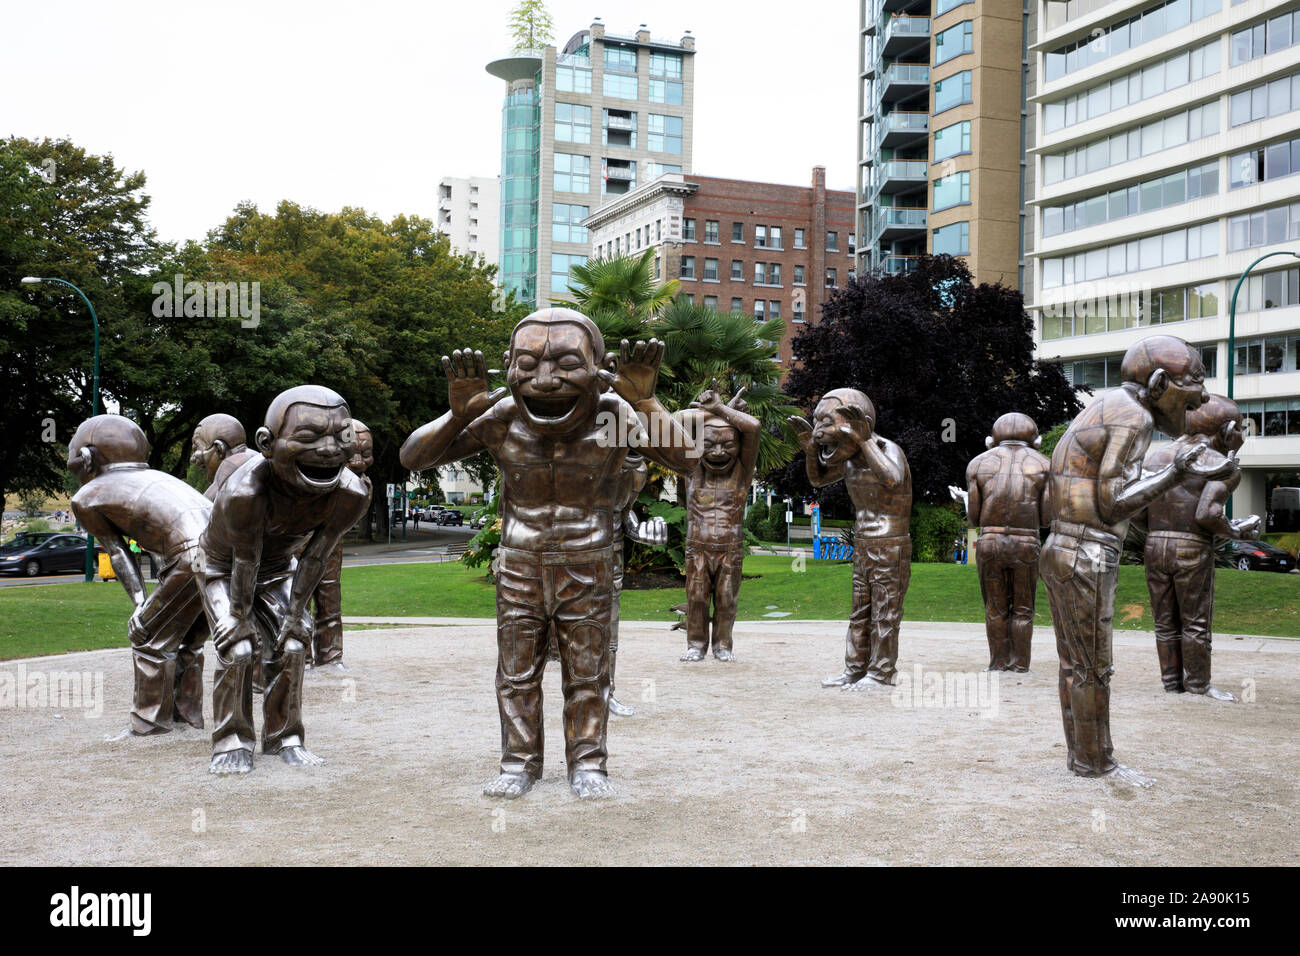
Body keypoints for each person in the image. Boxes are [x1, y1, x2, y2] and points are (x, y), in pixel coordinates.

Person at [400, 308, 695, 799]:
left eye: (565, 363)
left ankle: (588, 765)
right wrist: (457, 414)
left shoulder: (613, 415)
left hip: (589, 560)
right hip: (520, 562)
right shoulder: (501, 418)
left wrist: (645, 400)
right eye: (528, 363)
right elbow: (414, 457)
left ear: (599, 368)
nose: (545, 379)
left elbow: (687, 456)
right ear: (508, 368)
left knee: (589, 673)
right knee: (515, 673)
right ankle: (518, 763)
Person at [1040, 335, 1234, 785]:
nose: (1202, 397)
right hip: (1085, 551)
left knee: (1077, 665)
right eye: (1195, 383)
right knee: (1091, 667)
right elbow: (1113, 504)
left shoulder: (1109, 406)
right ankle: (1096, 763)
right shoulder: (1134, 416)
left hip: (1064, 548)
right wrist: (1176, 471)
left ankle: (1087, 757)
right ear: (1161, 381)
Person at [200, 385, 371, 775]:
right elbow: (245, 559)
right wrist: (238, 617)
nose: (329, 450)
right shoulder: (246, 492)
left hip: (278, 566)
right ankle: (231, 740)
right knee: (238, 645)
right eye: (309, 438)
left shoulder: (351, 492)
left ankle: (285, 737)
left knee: (295, 642)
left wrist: (296, 614)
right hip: (219, 568)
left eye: (340, 437)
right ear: (267, 443)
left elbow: (316, 555)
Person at [68, 415, 210, 734]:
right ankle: (187, 715)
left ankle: (148, 723)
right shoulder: (161, 480)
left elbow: (118, 552)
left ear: (87, 458)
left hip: (190, 556)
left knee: (148, 636)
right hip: (219, 553)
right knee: (188, 640)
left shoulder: (88, 496)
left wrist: (140, 603)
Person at [790, 388, 912, 690]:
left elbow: (892, 480)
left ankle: (881, 673)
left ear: (861, 423)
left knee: (885, 613)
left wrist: (864, 440)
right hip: (863, 545)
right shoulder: (849, 462)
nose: (819, 433)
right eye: (817, 423)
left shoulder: (886, 449)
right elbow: (818, 478)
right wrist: (808, 449)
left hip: (890, 545)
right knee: (859, 613)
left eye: (827, 423)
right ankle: (855, 669)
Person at [1142, 395, 1259, 701]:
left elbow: (1138, 511)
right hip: (1191, 548)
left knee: (1165, 620)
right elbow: (1207, 513)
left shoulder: (1155, 459)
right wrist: (1235, 531)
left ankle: (1171, 683)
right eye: (1241, 429)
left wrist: (1157, 534)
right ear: (1228, 429)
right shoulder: (1221, 465)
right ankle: (1197, 685)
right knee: (1195, 621)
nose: (1242, 436)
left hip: (1155, 546)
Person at [674, 387, 760, 662]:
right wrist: (712, 410)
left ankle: (723, 645)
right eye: (709, 444)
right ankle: (696, 645)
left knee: (726, 600)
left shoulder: (742, 471)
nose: (719, 452)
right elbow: (675, 420)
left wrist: (720, 409)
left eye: (728, 444)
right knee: (696, 598)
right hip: (697, 546)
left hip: (729, 547)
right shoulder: (691, 466)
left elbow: (755, 427)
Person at [964, 412, 1051, 672]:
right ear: (1036, 440)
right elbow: (1046, 518)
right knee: (1023, 607)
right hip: (1026, 543)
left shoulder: (977, 464)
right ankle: (1020, 663)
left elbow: (973, 518)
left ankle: (998, 662)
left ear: (992, 439)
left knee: (995, 606)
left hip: (990, 541)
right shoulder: (1046, 465)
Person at [309, 420, 374, 672]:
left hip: (330, 549)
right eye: (351, 453)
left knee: (330, 601)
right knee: (297, 602)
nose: (358, 462)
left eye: (365, 454)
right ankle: (299, 657)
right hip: (298, 549)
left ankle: (331, 657)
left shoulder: (361, 484)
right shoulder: (307, 475)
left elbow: (350, 521)